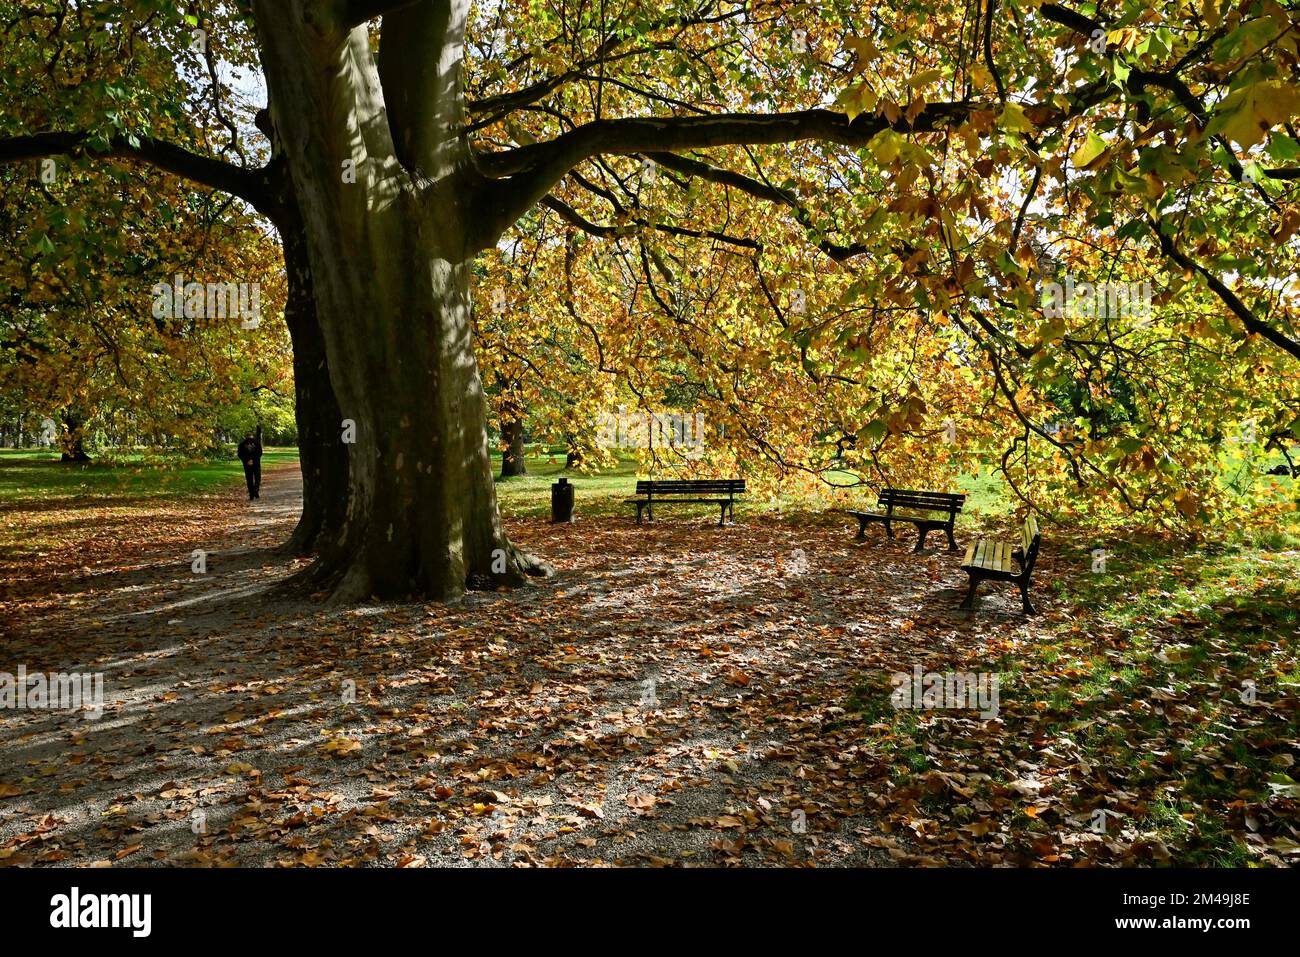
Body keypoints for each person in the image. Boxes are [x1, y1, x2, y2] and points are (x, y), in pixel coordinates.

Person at [237, 424, 263, 500]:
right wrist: (253, 460)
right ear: (252, 436)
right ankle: (256, 490)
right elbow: (260, 453)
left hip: (247, 464)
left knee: (249, 478)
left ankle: (251, 494)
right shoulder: (257, 443)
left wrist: (247, 460)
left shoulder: (241, 444)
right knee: (257, 477)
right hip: (256, 463)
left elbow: (240, 454)